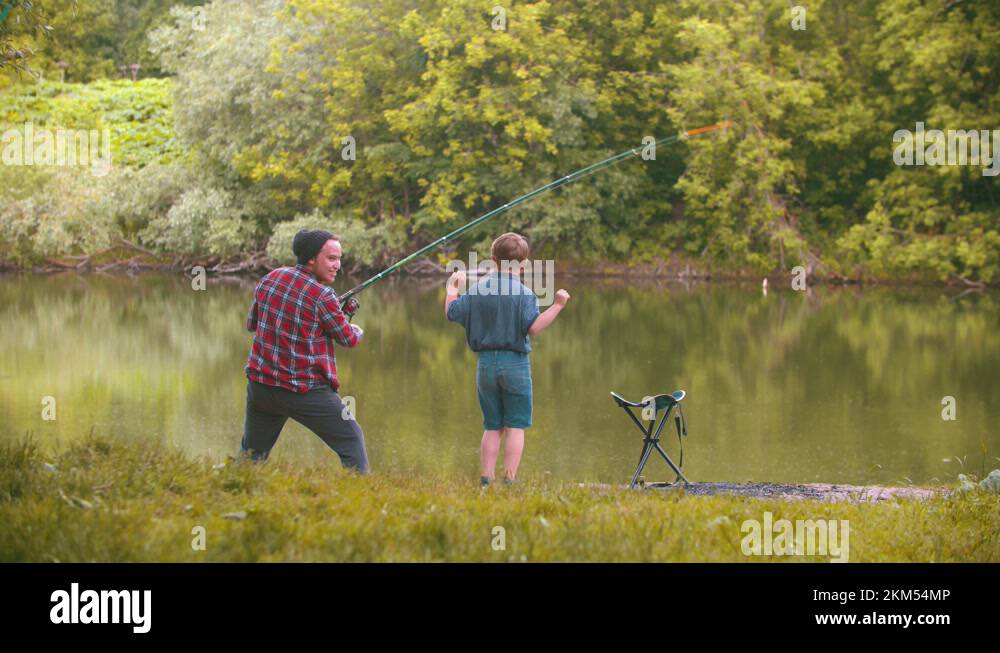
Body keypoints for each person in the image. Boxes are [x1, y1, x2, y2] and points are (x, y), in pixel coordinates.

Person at [445, 233, 570, 486]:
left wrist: (452, 288)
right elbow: (533, 328)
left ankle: (486, 479)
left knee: (493, 425)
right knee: (515, 425)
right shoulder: (525, 294)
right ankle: (510, 480)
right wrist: (557, 305)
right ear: (524, 265)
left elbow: (452, 312)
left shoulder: (478, 290)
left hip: (485, 366)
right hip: (515, 365)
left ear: (493, 260)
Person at [240, 229, 369, 472]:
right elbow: (348, 339)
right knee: (351, 440)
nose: (337, 265)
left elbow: (251, 324)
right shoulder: (323, 296)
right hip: (302, 390)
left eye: (339, 259)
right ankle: (363, 499)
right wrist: (356, 328)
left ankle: (235, 490)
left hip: (261, 385)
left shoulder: (270, 278)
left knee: (252, 455)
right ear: (311, 258)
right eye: (331, 258)